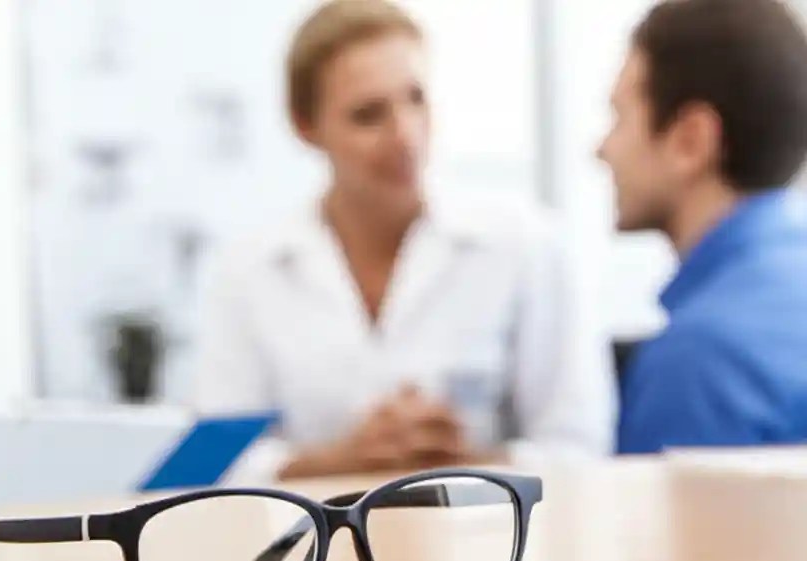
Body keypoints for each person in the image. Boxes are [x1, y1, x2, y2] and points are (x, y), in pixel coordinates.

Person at [193, 0, 616, 478]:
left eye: (416, 98)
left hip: (488, 543)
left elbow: (580, 449)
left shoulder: (525, 247)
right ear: (306, 126)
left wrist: (459, 467)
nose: (405, 135)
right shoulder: (250, 271)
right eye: (368, 115)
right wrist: (341, 462)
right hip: (311, 548)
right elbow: (211, 464)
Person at [600, 0, 807, 454]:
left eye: (619, 118)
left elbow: (650, 529)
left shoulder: (699, 363)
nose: (601, 149)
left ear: (690, 141)